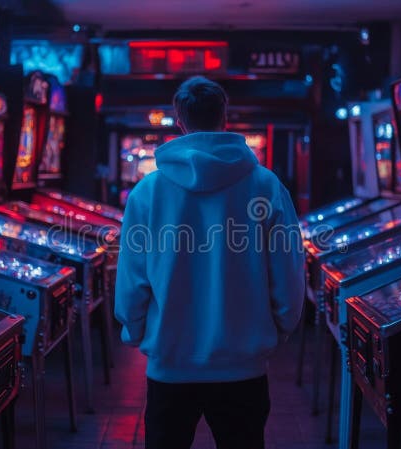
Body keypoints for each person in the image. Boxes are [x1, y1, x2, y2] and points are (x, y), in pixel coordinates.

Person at [114, 76, 305, 449]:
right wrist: (282, 325)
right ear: (225, 118)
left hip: (170, 361)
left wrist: (134, 330)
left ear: (179, 121)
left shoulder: (147, 192)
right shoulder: (266, 187)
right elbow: (287, 272)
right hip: (243, 363)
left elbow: (132, 278)